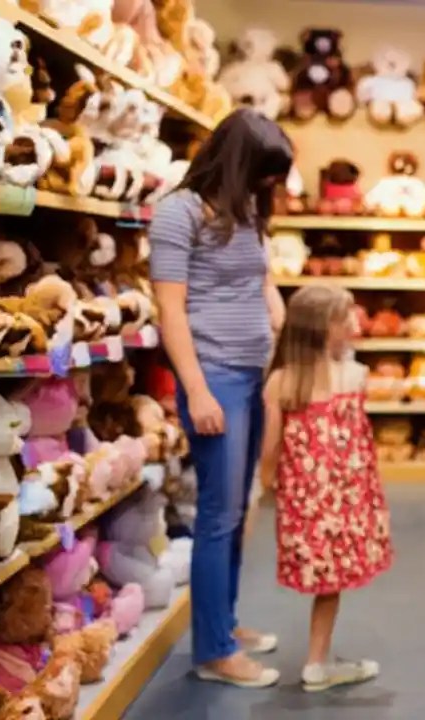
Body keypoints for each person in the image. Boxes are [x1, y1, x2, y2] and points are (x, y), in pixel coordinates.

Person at [150, 108, 290, 688]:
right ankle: (213, 651)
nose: (269, 187)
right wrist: (198, 389)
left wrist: (277, 308)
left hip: (252, 375)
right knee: (218, 516)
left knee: (237, 512)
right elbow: (170, 309)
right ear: (237, 164)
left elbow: (258, 276)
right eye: (263, 174)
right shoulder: (177, 213)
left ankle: (224, 624)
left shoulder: (247, 209)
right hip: (215, 378)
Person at [259, 285, 392, 692]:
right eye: (347, 316)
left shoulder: (281, 381)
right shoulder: (355, 376)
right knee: (332, 586)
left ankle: (320, 659)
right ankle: (317, 663)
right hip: (347, 498)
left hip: (304, 502)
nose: (356, 323)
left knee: (325, 582)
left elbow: (271, 446)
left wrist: (269, 485)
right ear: (323, 328)